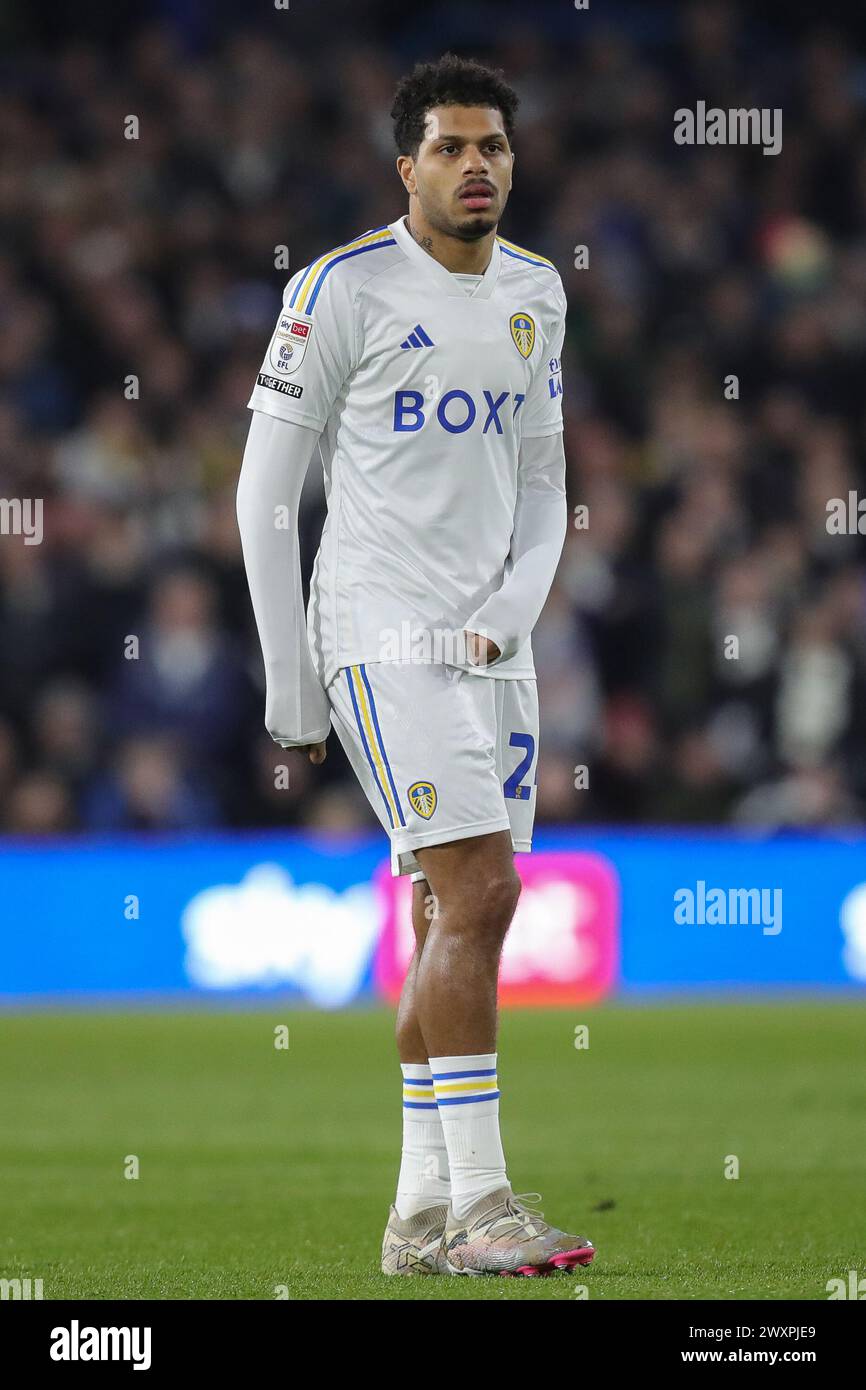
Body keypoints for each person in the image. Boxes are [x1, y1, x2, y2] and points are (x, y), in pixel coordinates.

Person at [236, 52, 595, 1277]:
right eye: (448, 146)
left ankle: (418, 1215)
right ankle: (486, 1204)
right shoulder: (338, 288)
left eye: (490, 144)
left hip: (487, 642)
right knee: (481, 890)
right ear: (407, 167)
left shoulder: (537, 294)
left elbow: (544, 487)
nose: (474, 164)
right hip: (378, 629)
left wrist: (512, 607)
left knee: (452, 911)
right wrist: (289, 674)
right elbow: (263, 495)